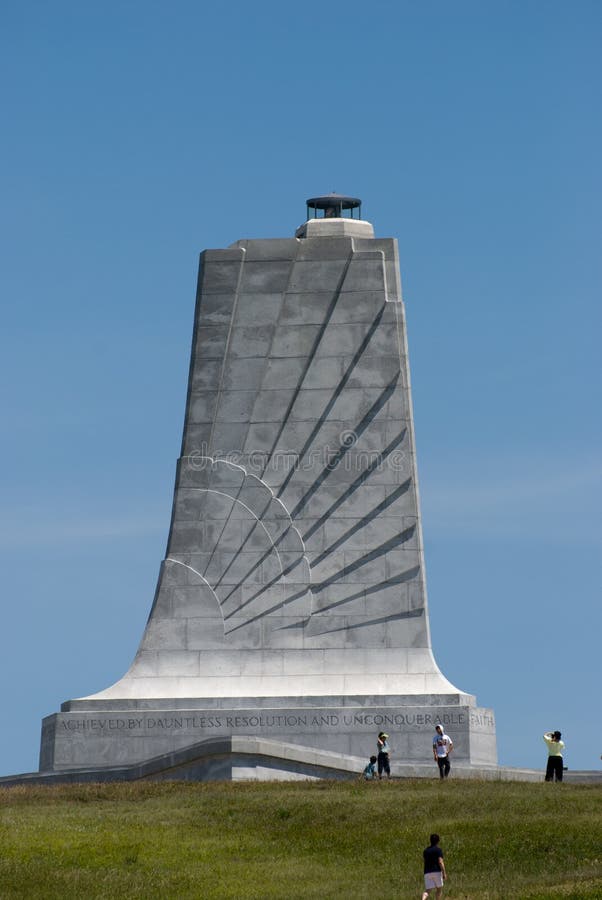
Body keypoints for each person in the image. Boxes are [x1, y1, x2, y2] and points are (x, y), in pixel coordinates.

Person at [422, 833, 446, 900]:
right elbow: (440, 862)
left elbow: (424, 861)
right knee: (439, 889)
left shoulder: (425, 851)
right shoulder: (438, 850)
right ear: (438, 841)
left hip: (427, 872)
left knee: (428, 890)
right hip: (437, 871)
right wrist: (444, 873)